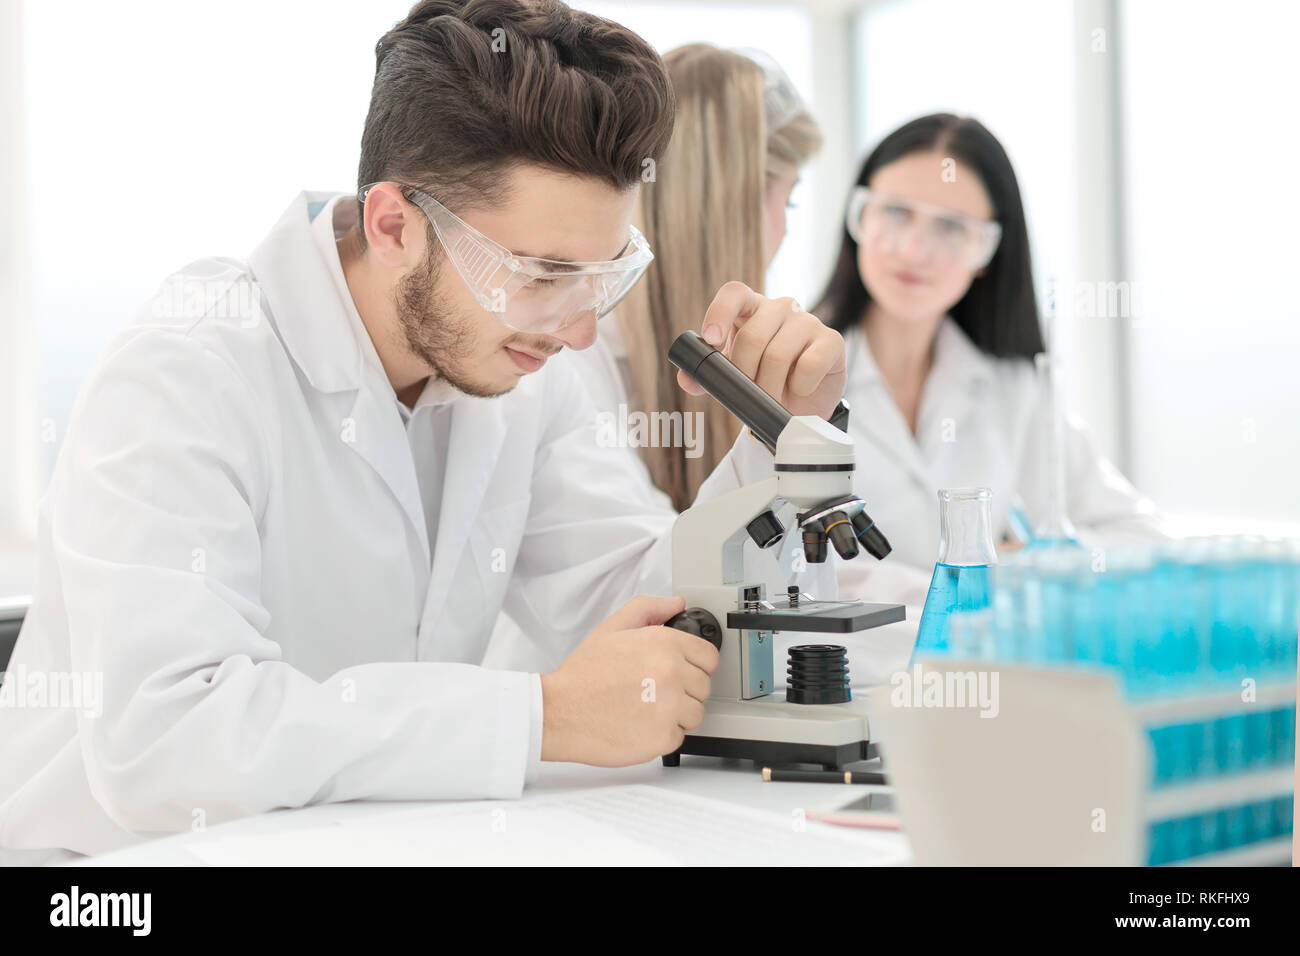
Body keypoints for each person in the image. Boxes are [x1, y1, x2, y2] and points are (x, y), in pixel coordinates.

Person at [0, 0, 848, 862]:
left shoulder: (515, 374)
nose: (580, 330)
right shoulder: (187, 372)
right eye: (544, 273)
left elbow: (638, 604)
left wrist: (781, 441)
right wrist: (538, 716)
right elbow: (164, 746)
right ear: (395, 226)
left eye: (600, 275)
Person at [485, 43, 839, 677]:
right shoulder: (556, 362)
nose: (783, 233)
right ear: (732, 206)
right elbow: (648, 597)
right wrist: (775, 445)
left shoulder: (765, 351)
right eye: (785, 204)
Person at [813, 113, 1166, 670]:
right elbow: (784, 578)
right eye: (896, 212)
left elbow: (1140, 538)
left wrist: (1035, 566)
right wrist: (964, 591)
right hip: (839, 689)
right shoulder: (794, 373)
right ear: (858, 216)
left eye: (951, 227)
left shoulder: (1013, 388)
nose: (914, 248)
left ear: (988, 252)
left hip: (992, 688)